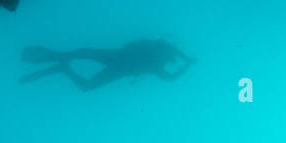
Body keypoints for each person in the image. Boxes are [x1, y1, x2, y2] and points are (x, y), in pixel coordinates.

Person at [19, 39, 195, 89]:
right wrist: (187, 64)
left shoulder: (159, 50)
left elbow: (170, 50)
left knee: (85, 53)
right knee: (87, 84)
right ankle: (63, 66)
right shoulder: (157, 63)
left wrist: (187, 60)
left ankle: (60, 60)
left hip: (117, 59)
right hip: (120, 66)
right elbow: (171, 77)